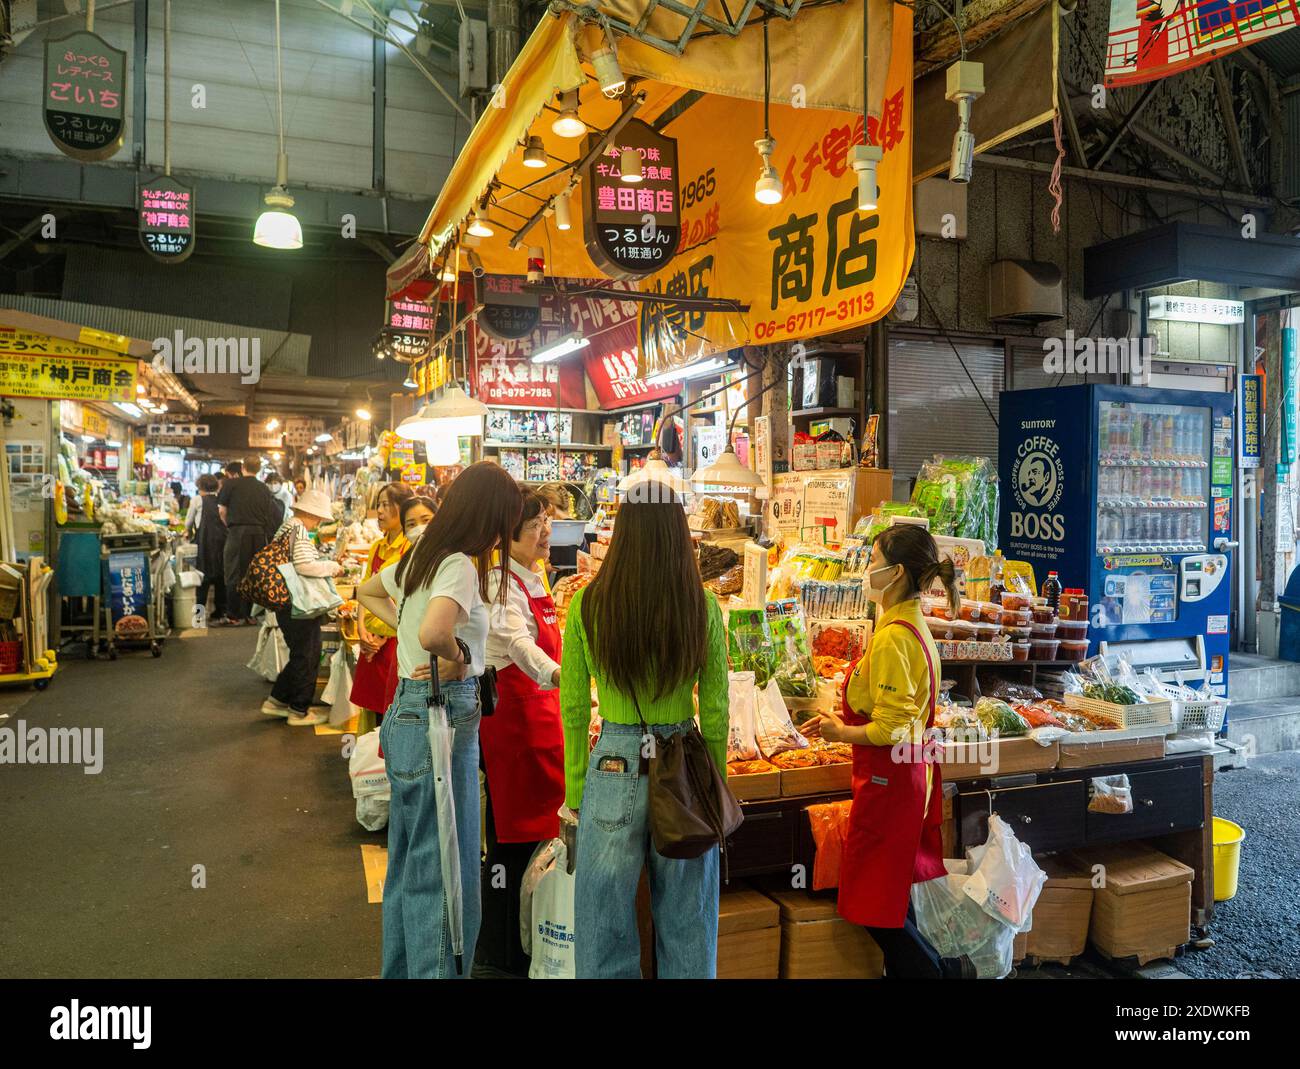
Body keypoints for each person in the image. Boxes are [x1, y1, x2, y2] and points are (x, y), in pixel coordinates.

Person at [356, 461, 522, 979]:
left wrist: (409, 634)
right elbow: (433, 633)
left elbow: (367, 593)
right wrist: (458, 653)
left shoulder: (423, 555)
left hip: (409, 711)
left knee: (410, 864)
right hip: (440, 718)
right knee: (443, 870)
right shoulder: (458, 564)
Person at [560, 481, 728, 979]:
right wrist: (713, 782)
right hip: (682, 767)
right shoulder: (703, 607)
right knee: (687, 919)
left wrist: (576, 786)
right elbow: (716, 709)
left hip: (612, 761)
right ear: (680, 535)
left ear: (623, 534)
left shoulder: (587, 605)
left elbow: (571, 704)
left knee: (602, 920)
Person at [804, 524, 971, 980]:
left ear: (895, 573)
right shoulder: (910, 624)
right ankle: (929, 970)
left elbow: (893, 727)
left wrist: (840, 733)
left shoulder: (896, 635)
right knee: (890, 893)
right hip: (905, 777)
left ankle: (938, 972)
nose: (867, 569)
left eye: (873, 560)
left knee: (869, 901)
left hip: (890, 782)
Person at [478, 490, 565, 974]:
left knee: (539, 842)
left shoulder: (534, 577)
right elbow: (516, 642)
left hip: (543, 722)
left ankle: (530, 944)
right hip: (515, 728)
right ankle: (503, 953)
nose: (546, 531)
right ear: (510, 534)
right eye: (536, 524)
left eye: (547, 521)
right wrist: (558, 675)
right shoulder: (500, 582)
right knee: (512, 844)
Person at [260, 488, 345, 727]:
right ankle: (299, 710)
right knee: (308, 653)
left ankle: (277, 700)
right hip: (297, 601)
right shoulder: (298, 529)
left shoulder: (288, 526)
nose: (319, 522)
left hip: (286, 601)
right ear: (309, 512)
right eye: (318, 517)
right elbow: (305, 566)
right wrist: (332, 567)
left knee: (301, 652)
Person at [350, 482, 415, 727]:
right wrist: (361, 630)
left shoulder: (409, 548)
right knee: (373, 711)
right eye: (379, 504)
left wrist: (382, 637)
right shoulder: (377, 546)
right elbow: (365, 589)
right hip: (370, 643)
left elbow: (408, 598)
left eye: (386, 505)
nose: (380, 511)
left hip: (394, 643)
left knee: (392, 711)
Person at [218, 458, 280, 625]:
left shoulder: (231, 485)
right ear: (259, 469)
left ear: (243, 467)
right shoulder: (264, 489)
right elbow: (270, 513)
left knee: (233, 573)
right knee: (255, 574)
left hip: (238, 532)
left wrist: (231, 527)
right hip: (259, 534)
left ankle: (233, 615)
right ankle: (251, 614)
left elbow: (222, 511)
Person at [191, 474, 227, 624]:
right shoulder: (222, 500)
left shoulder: (197, 500)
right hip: (222, 544)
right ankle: (219, 613)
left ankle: (198, 617)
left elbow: (188, 522)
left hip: (204, 544)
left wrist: (186, 533)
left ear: (200, 487)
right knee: (220, 579)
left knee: (202, 580)